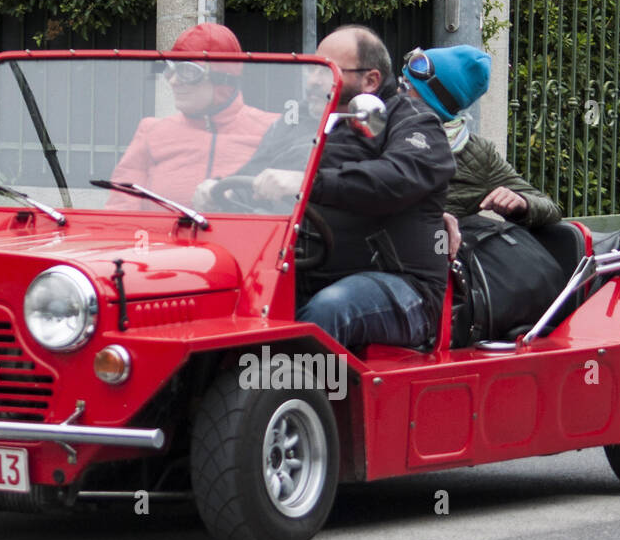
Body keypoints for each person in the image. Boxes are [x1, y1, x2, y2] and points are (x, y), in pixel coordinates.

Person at [229, 25, 456, 351]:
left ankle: (290, 399)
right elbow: (251, 172)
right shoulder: (298, 124)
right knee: (226, 299)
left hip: (401, 284)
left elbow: (397, 178)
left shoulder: (412, 119)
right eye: (313, 69)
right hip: (300, 271)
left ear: (371, 81)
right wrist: (215, 189)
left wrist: (309, 183)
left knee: (331, 309)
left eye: (327, 71)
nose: (312, 81)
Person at [105, 23, 277, 211]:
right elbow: (121, 207)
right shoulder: (151, 131)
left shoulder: (274, 129)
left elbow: (289, 204)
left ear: (222, 78)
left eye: (187, 71)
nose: (173, 81)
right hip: (164, 239)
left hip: (243, 239)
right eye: (169, 69)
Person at [399, 44, 562, 227]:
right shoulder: (378, 127)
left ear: (434, 100)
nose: (397, 92)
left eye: (406, 86)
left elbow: (551, 209)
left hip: (425, 251)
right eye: (401, 82)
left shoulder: (477, 154)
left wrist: (522, 202)